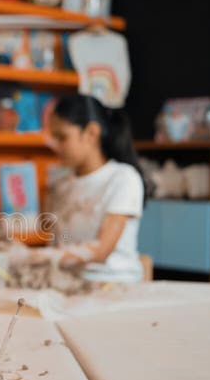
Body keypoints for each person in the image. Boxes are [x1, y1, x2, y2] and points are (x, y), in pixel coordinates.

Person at [41, 93, 147, 283]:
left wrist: (35, 257)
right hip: (70, 286)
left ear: (91, 133)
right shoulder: (60, 186)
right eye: (53, 138)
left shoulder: (122, 178)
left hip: (115, 285)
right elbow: (57, 247)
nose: (55, 146)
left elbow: (101, 250)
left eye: (62, 137)